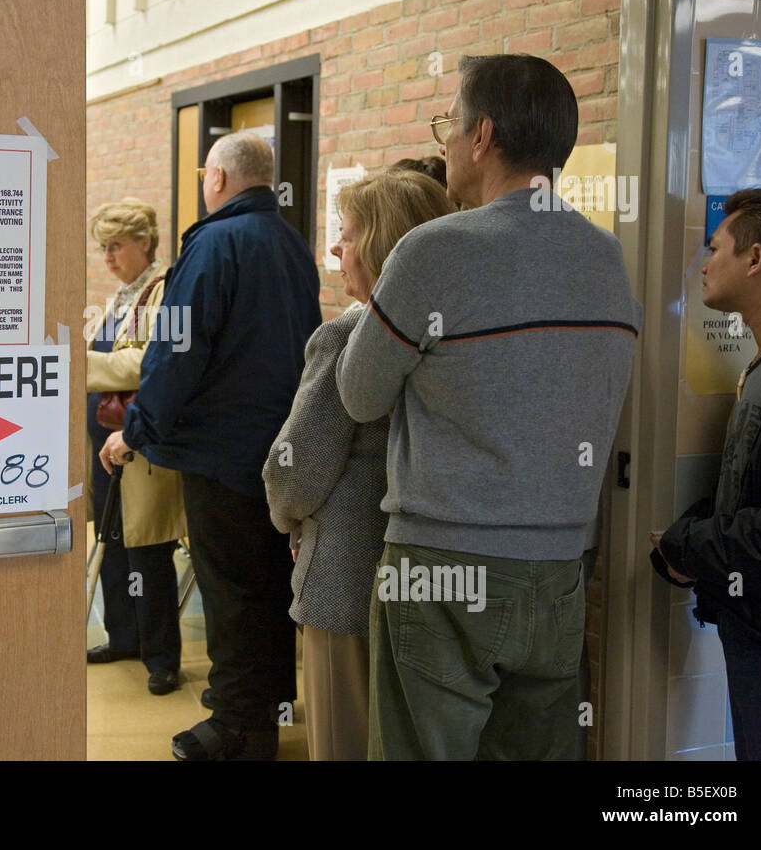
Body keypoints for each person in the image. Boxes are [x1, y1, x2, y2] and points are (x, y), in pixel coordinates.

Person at [335, 53, 643, 760]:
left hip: (443, 563)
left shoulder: (433, 252)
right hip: (561, 568)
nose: (443, 140)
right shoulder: (606, 258)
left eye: (449, 122)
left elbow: (359, 396)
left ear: (483, 136)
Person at [99, 131, 321, 760]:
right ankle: (266, 704)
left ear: (218, 178)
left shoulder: (213, 243)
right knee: (267, 585)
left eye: (204, 173)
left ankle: (237, 727)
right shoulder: (291, 245)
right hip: (280, 452)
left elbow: (174, 352)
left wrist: (135, 432)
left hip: (221, 454)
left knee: (229, 593)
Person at [264, 168, 454, 760]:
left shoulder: (347, 335)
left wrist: (287, 519)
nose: (335, 250)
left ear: (379, 244)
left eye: (346, 234)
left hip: (346, 577)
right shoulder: (459, 331)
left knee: (342, 741)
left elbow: (295, 466)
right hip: (438, 580)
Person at [652, 188, 761, 760]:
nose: (704, 264)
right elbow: (751, 490)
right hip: (756, 632)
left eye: (715, 248)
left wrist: (691, 544)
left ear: (755, 259)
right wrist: (689, 546)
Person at [85, 199, 186, 696]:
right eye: (102, 248)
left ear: (145, 242)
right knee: (114, 544)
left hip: (140, 446)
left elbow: (149, 363)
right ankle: (123, 636)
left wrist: (78, 365)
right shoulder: (120, 297)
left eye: (115, 246)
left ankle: (161, 656)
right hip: (104, 445)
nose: (107, 257)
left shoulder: (165, 292)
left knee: (148, 550)